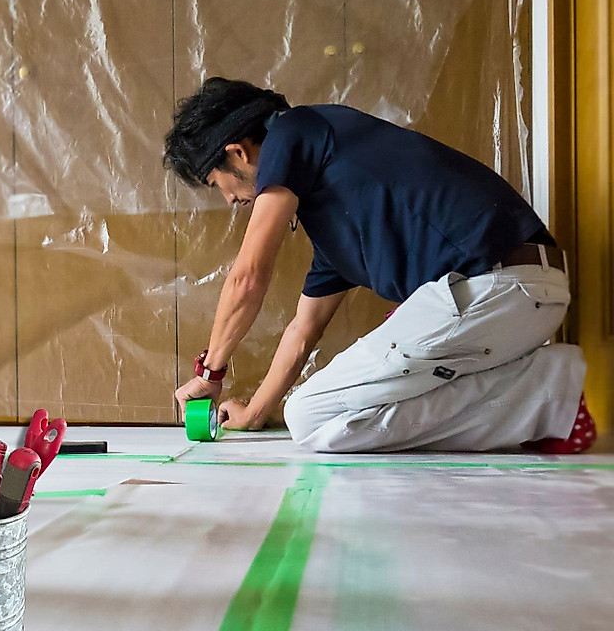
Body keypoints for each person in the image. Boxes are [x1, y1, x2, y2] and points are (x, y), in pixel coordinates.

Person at [166, 77, 595, 454]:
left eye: (215, 184)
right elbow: (302, 331)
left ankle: (547, 392)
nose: (230, 200)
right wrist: (255, 412)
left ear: (239, 153)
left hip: (496, 287)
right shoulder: (334, 223)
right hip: (526, 295)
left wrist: (210, 373)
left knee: (309, 415)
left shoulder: (294, 132)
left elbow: (247, 277)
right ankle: (542, 389)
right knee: (344, 414)